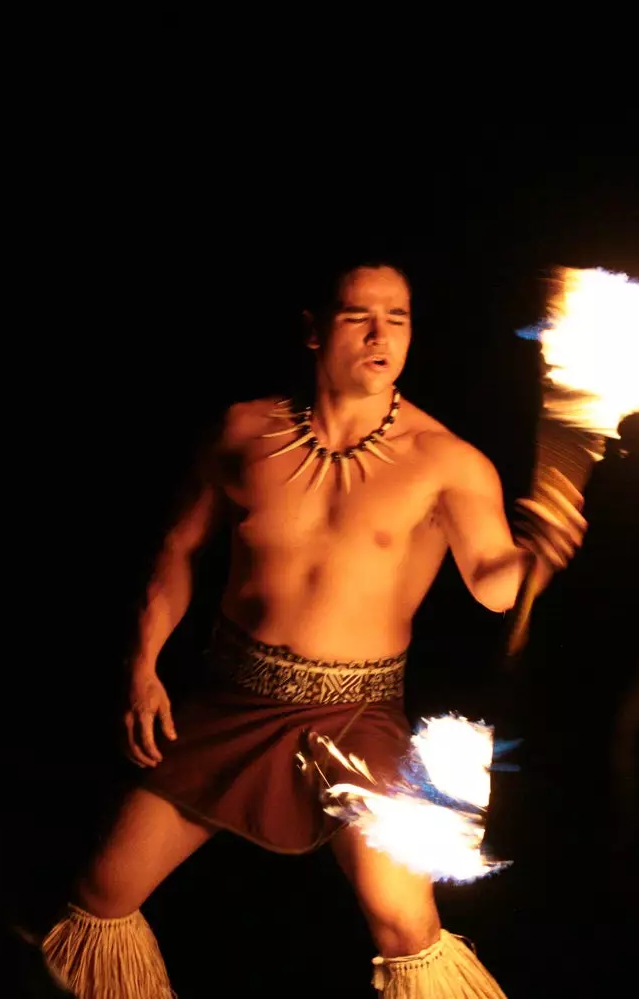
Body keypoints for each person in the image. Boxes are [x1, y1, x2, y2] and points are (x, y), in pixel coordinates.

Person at [39, 263, 586, 997]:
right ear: (313, 328)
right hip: (232, 700)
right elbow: (176, 550)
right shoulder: (242, 430)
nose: (381, 334)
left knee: (402, 920)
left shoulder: (447, 462)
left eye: (398, 317)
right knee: (102, 889)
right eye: (360, 314)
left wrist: (537, 559)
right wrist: (144, 667)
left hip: (357, 717)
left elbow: (494, 585)